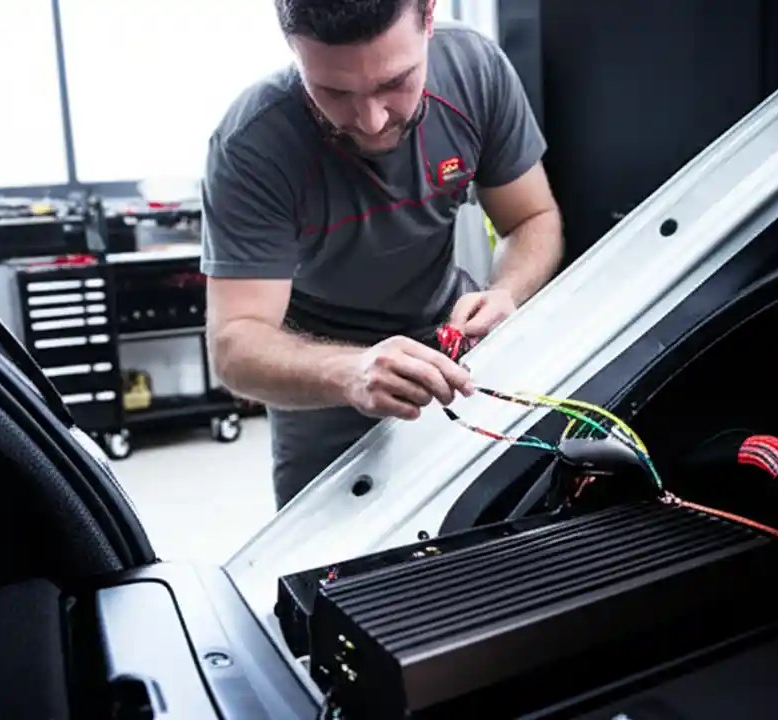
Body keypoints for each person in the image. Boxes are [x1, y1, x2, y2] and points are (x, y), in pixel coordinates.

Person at [201, 0, 563, 509]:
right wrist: (348, 373)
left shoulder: (474, 70)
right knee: (333, 551)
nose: (371, 121)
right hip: (323, 381)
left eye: (395, 82)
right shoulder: (252, 144)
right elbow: (234, 346)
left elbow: (532, 219)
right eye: (334, 92)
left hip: (457, 353)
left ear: (429, 16)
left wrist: (507, 292)